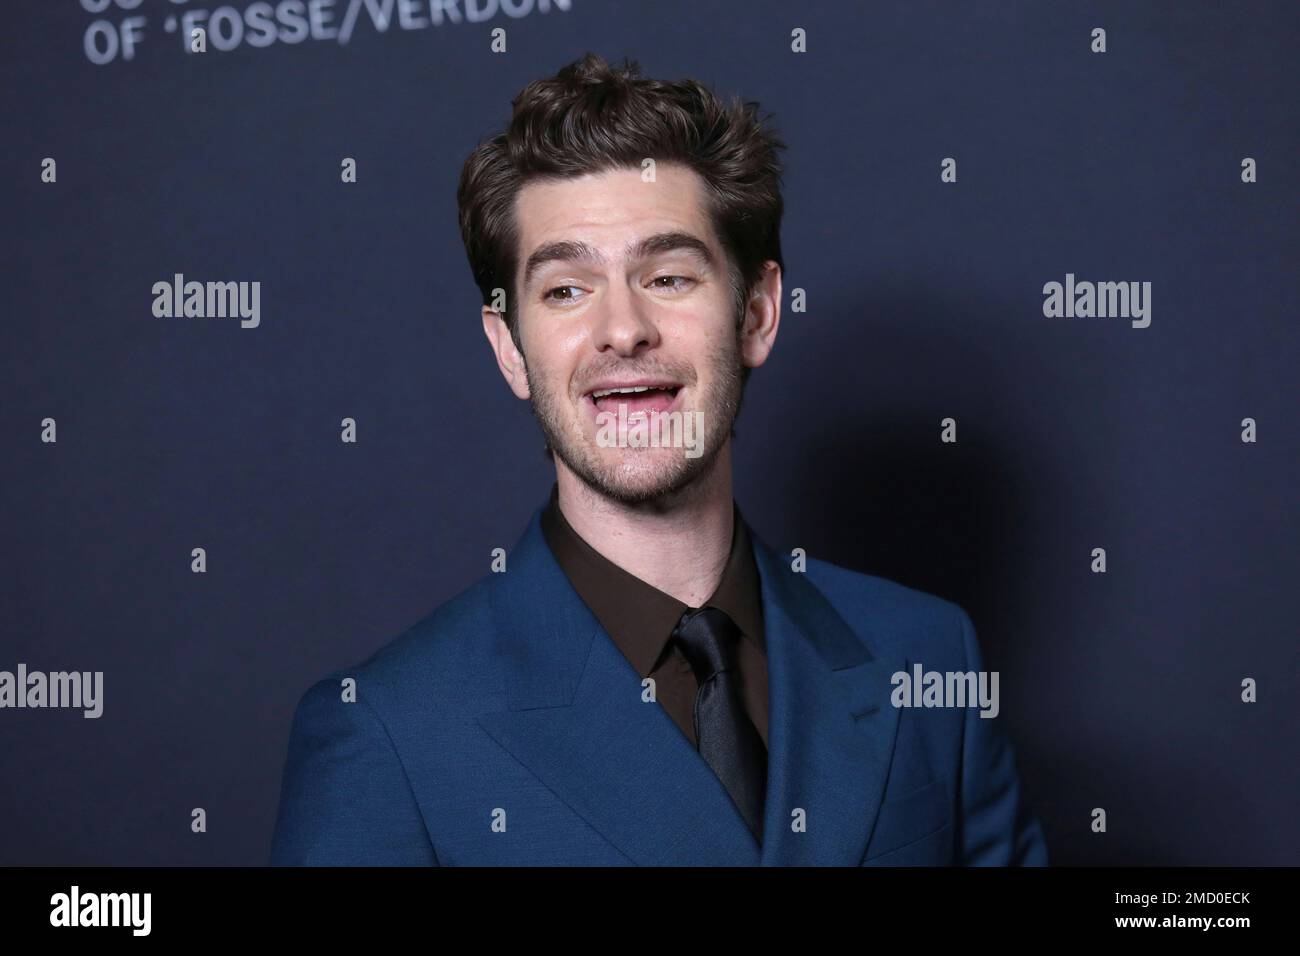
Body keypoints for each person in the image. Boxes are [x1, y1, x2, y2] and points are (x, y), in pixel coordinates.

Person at [270, 52, 1048, 866]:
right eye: (566, 289)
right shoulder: (389, 730)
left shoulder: (925, 655)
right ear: (508, 350)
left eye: (669, 276)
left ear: (756, 312)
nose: (623, 328)